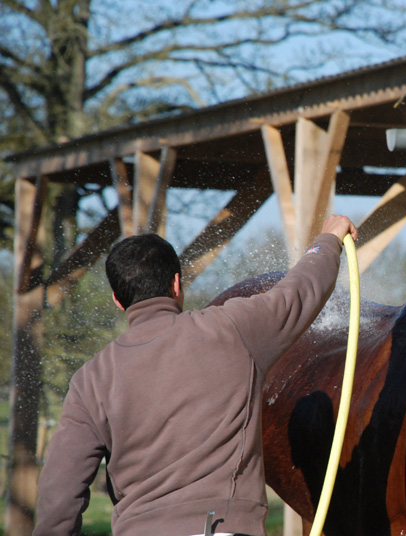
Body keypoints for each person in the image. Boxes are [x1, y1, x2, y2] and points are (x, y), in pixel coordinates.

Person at [33, 215, 358, 536]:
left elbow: (59, 494)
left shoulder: (90, 380)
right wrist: (327, 240)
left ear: (118, 301)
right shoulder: (232, 329)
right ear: (176, 284)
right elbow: (301, 291)